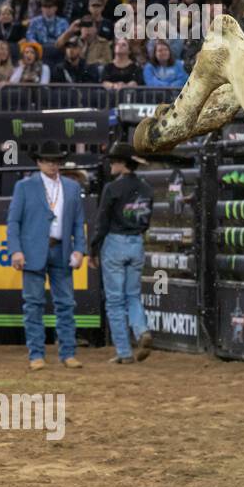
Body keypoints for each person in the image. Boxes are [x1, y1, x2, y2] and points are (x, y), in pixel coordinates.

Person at [8, 141, 87, 370]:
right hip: (32, 251)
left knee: (65, 304)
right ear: (39, 162)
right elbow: (14, 221)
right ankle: (36, 355)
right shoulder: (24, 187)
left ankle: (68, 353)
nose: (52, 165)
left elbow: (78, 222)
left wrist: (80, 249)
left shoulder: (71, 187)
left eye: (55, 161)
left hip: (61, 250)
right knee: (33, 304)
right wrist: (15, 250)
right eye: (47, 161)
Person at [90, 143, 154, 364]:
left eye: (113, 162)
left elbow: (102, 221)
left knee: (115, 301)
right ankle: (142, 329)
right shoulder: (146, 188)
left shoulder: (112, 189)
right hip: (136, 242)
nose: (111, 166)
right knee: (132, 295)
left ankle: (124, 352)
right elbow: (146, 219)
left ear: (121, 163)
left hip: (115, 243)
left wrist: (93, 248)